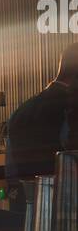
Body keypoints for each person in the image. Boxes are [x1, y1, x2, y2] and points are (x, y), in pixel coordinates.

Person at [5, 43, 78, 179]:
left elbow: (11, 171)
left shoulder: (20, 112)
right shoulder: (70, 109)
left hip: (28, 190)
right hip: (63, 189)